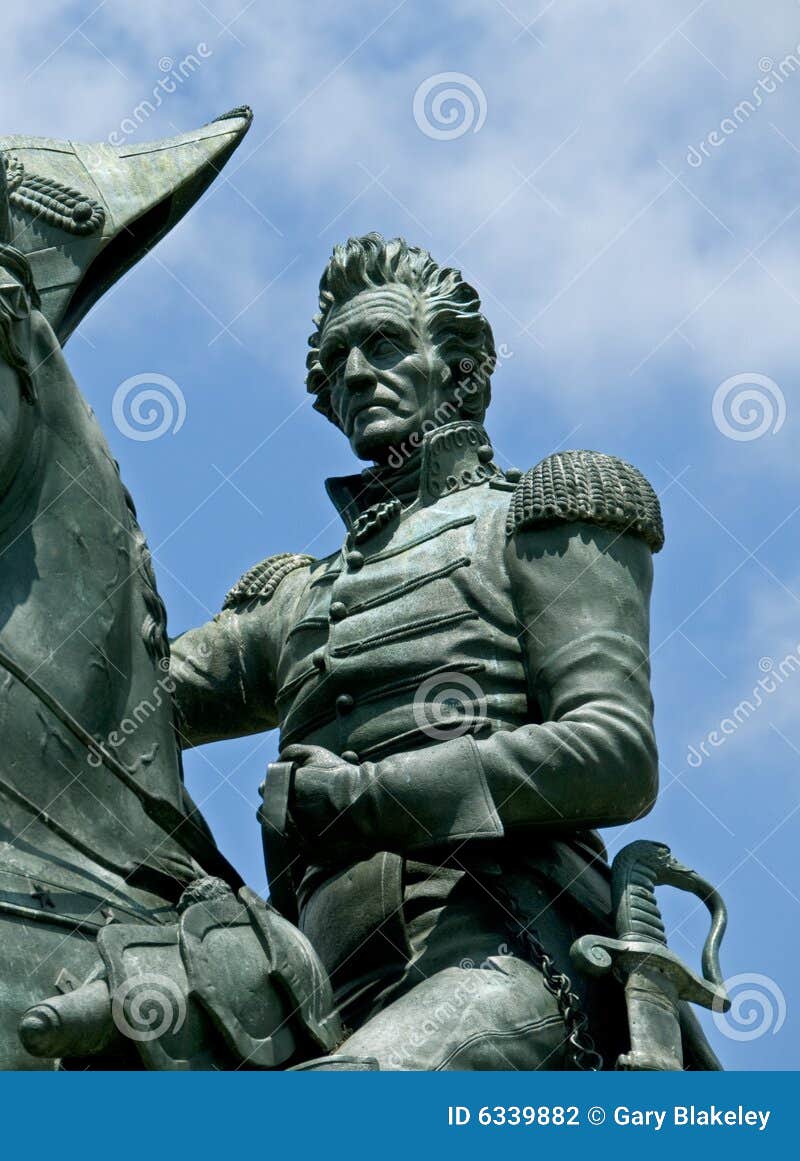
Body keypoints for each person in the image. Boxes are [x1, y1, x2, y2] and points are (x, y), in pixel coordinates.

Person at [167, 233, 688, 1069]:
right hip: (312, 988)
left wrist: (370, 796)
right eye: (336, 361)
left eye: (383, 344)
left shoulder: (541, 515)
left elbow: (616, 755)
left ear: (460, 367)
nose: (357, 374)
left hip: (511, 953)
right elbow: (108, 698)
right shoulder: (293, 597)